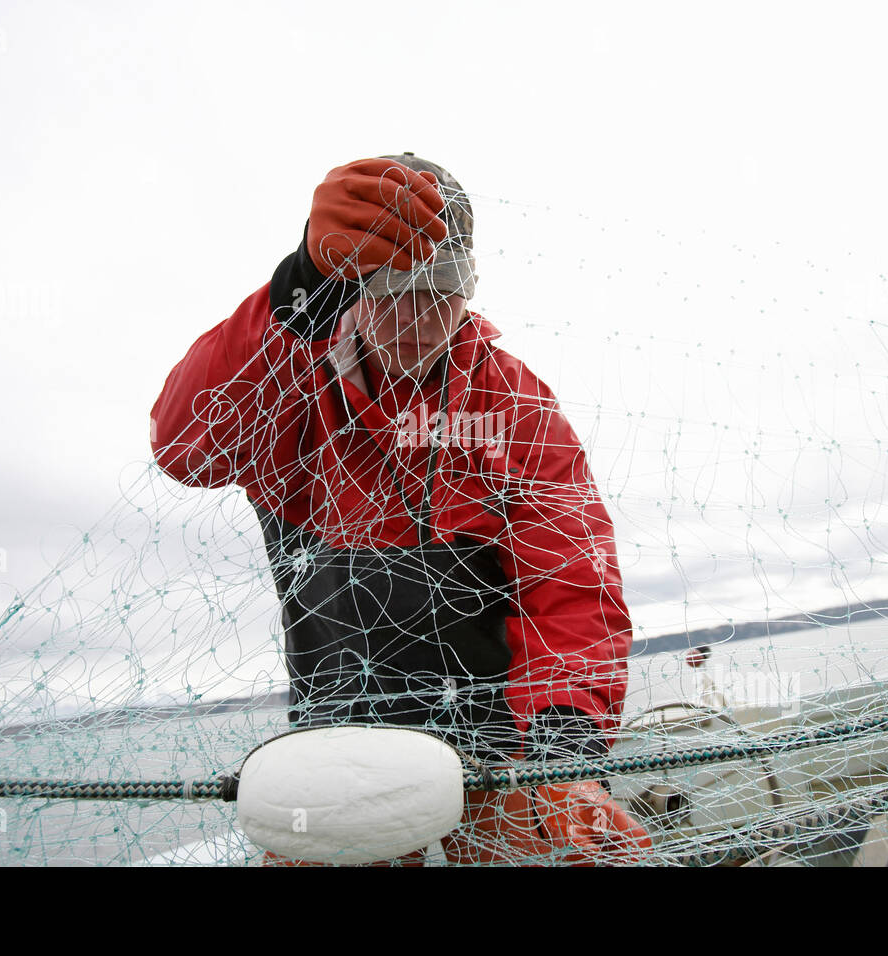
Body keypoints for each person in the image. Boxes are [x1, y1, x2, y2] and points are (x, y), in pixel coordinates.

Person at [149, 153, 650, 864]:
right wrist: (300, 285)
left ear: (471, 283)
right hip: (334, 756)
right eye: (392, 285)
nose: (418, 313)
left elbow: (570, 585)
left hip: (498, 751)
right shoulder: (288, 374)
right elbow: (183, 446)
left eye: (443, 285)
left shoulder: (516, 404)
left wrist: (564, 754)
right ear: (351, 285)